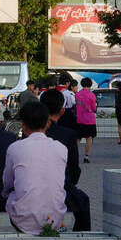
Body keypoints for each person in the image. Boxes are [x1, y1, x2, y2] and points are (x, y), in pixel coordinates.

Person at [2, 100, 68, 235]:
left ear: (23, 126)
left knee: (11, 196)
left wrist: (6, 193)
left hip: (22, 219)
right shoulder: (61, 148)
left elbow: (7, 183)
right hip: (56, 217)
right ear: (48, 124)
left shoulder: (15, 148)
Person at [41, 88, 88, 231]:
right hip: (60, 186)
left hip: (31, 185)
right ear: (62, 111)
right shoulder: (68, 134)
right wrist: (71, 183)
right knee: (83, 200)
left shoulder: (30, 131)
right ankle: (82, 236)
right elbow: (74, 168)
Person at [74, 78, 98, 162]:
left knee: (78, 138)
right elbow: (94, 108)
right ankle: (86, 156)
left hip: (79, 119)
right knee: (89, 138)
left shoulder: (77, 94)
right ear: (90, 85)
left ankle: (74, 155)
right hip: (89, 120)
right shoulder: (92, 95)